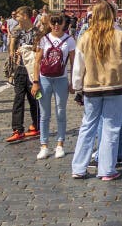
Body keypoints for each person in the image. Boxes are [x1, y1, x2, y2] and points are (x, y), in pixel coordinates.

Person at [71, 0, 122, 180]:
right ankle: (107, 170)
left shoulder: (85, 37)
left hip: (91, 88)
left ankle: (78, 168)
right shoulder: (120, 35)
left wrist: (77, 88)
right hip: (115, 87)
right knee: (111, 128)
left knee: (87, 126)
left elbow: (78, 67)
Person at [30, 13, 75, 160]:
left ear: (64, 24)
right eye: (53, 23)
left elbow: (73, 63)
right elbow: (37, 61)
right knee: (44, 115)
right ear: (49, 24)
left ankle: (60, 144)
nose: (56, 25)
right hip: (44, 80)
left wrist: (73, 82)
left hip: (61, 80)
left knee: (61, 112)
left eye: (59, 22)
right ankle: (44, 146)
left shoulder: (69, 40)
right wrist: (35, 82)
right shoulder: (44, 39)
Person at [5, 6, 41, 142]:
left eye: (18, 16)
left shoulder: (37, 32)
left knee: (34, 99)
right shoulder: (17, 30)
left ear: (25, 16)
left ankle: (36, 125)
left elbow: (38, 49)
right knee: (18, 99)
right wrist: (12, 54)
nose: (16, 18)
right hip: (20, 68)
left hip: (32, 69)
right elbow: (12, 44)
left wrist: (28, 50)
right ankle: (17, 129)